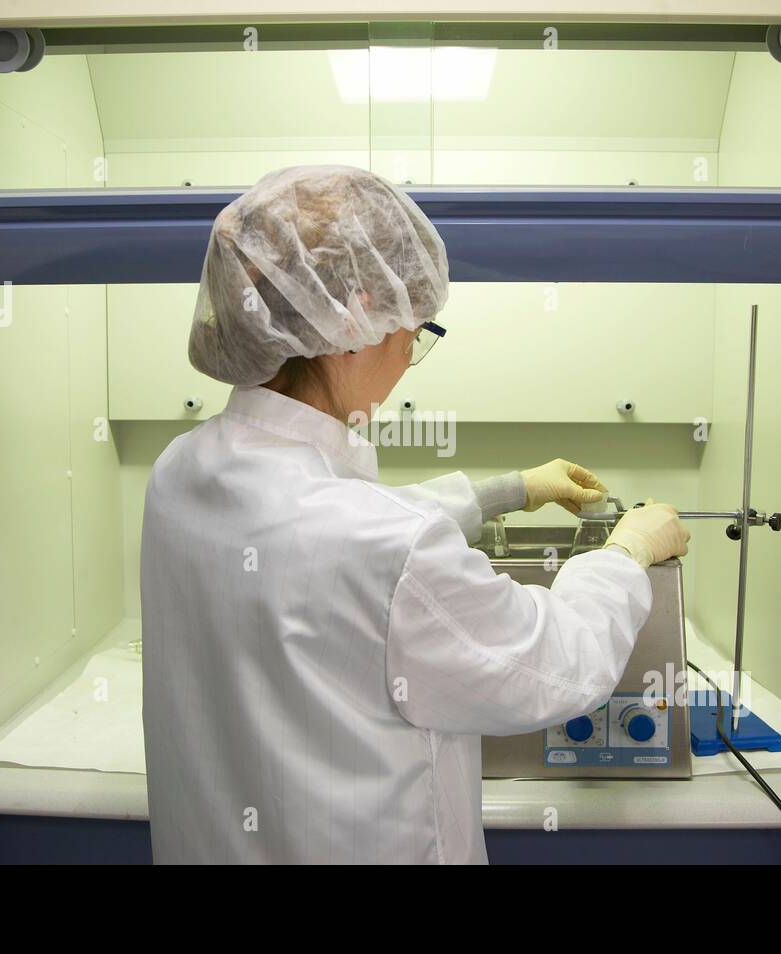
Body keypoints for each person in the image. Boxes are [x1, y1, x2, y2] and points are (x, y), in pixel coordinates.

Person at [140, 165, 689, 864]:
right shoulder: (383, 546)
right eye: (410, 327)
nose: (407, 350)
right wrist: (625, 554)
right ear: (352, 323)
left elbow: (320, 538)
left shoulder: (180, 473)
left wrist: (507, 490)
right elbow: (555, 664)